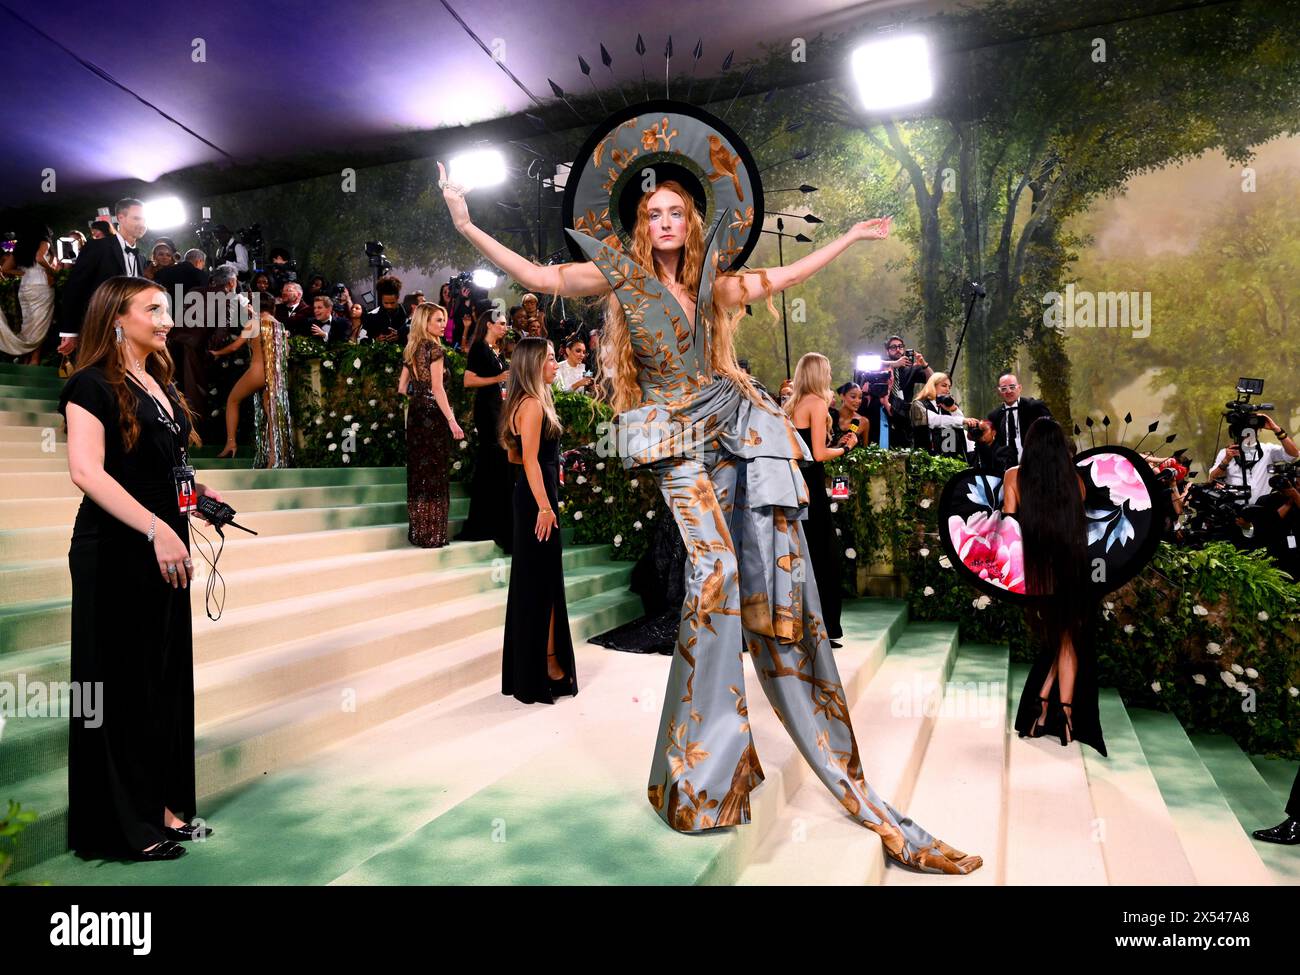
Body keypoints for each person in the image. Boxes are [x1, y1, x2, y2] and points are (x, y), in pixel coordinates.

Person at [438, 129, 980, 873]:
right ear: (639, 222)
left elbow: (782, 279)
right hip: (670, 437)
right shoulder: (620, 279)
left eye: (674, 211)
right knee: (717, 567)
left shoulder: (716, 284)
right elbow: (537, 272)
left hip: (732, 423)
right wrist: (466, 223)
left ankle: (736, 755)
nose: (663, 221)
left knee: (759, 574)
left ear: (690, 220)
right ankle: (704, 767)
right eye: (652, 211)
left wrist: (849, 237)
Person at [58, 275, 222, 860]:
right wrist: (155, 528)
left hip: (163, 545)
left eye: (167, 308)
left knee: (162, 679)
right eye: (152, 308)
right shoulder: (89, 385)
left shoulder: (159, 384)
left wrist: (195, 499)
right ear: (117, 318)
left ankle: (163, 806)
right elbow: (87, 471)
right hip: (117, 548)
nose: (166, 318)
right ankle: (123, 826)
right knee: (122, 683)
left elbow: (160, 467)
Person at [1002, 417, 1103, 754]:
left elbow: (1009, 525)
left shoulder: (1014, 476)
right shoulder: (1074, 480)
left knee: (1060, 641)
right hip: (1075, 571)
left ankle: (1045, 706)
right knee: (1068, 642)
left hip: (1038, 575)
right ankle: (1063, 714)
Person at [500, 336, 577, 703]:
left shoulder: (531, 401)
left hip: (536, 495)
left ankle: (538, 665)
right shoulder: (530, 404)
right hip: (537, 504)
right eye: (549, 358)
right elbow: (527, 460)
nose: (555, 363)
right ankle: (545, 664)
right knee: (541, 584)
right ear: (532, 364)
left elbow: (517, 456)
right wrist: (545, 507)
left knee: (539, 582)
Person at [786, 353, 857, 646]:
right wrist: (845, 448)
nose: (829, 376)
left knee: (802, 557)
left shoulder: (791, 404)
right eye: (826, 371)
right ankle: (823, 629)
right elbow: (817, 454)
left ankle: (801, 624)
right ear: (818, 374)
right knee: (825, 558)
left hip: (794, 486)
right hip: (812, 487)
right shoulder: (815, 403)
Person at [398, 303, 463, 547]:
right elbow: (438, 389)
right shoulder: (435, 349)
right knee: (435, 473)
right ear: (425, 323)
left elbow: (402, 388)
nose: (443, 324)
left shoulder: (411, 349)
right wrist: (452, 420)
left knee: (418, 472)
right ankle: (433, 534)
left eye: (444, 319)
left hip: (415, 414)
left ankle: (419, 532)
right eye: (437, 320)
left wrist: (418, 394)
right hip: (433, 415)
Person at [455, 308, 514, 553]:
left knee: (495, 464)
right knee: (492, 460)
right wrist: (498, 377)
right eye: (501, 323)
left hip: (498, 408)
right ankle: (482, 523)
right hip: (487, 410)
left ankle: (491, 521)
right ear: (489, 325)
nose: (504, 327)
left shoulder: (494, 350)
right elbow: (468, 380)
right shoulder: (480, 348)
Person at [59, 198, 148, 356]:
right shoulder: (98, 247)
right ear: (120, 218)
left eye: (144, 219)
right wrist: (70, 332)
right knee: (96, 374)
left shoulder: (140, 258)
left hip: (128, 331)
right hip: (98, 327)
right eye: (137, 218)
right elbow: (74, 288)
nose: (142, 223)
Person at [210, 304, 269, 458]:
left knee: (232, 401)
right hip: (274, 375)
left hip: (257, 372)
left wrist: (217, 352)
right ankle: (273, 456)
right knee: (271, 414)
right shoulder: (278, 324)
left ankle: (231, 443)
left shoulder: (255, 323)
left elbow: (235, 347)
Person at [0, 223, 58, 364]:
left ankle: (26, 358)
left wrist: (24, 273)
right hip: (41, 288)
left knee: (29, 325)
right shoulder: (44, 243)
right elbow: (39, 258)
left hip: (25, 288)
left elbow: (5, 269)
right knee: (40, 325)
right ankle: (34, 359)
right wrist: (52, 270)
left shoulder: (21, 247)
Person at [1207, 413, 1298, 502]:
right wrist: (1226, 461)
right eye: (1242, 431)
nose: (1247, 435)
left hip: (1264, 509)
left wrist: (1276, 429)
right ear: (1235, 433)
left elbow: (1294, 455)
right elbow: (1212, 478)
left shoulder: (1267, 449)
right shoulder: (1225, 453)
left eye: (1250, 431)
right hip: (1237, 511)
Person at [986, 373, 1051, 474]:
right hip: (1006, 468)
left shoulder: (1035, 407)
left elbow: (1051, 431)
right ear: (999, 391)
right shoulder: (994, 416)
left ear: (1019, 388)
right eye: (1004, 389)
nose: (1008, 391)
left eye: (1012, 387)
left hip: (1036, 464)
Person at [911, 372, 980, 458]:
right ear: (933, 385)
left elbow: (959, 428)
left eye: (949, 387)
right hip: (928, 459)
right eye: (944, 385)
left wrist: (953, 409)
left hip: (952, 459)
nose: (947, 390)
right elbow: (936, 420)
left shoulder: (947, 405)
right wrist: (963, 420)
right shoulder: (918, 404)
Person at [363, 275, 409, 344]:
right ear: (381, 300)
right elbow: (362, 340)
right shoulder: (371, 316)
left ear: (398, 298)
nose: (389, 306)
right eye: (386, 303)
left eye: (392, 303)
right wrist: (375, 340)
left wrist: (401, 335)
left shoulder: (409, 316)